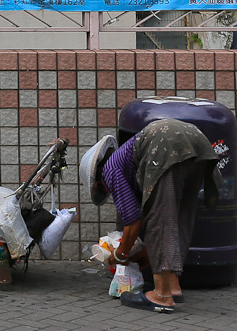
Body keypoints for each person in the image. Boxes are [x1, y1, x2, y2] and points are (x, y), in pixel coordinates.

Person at [80, 120, 221, 314]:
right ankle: (172, 285)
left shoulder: (109, 170)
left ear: (98, 181)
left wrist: (120, 254)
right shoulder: (126, 162)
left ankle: (162, 296)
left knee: (159, 218)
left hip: (164, 144)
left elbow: (133, 221)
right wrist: (146, 250)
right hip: (197, 140)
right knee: (180, 216)